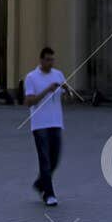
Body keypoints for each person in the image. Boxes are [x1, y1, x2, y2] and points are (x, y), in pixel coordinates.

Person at [23, 45, 68, 206]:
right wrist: (47, 90)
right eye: (48, 60)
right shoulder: (31, 77)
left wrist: (67, 91)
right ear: (41, 60)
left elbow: (64, 96)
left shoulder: (58, 74)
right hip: (40, 124)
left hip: (56, 122)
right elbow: (29, 102)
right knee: (45, 160)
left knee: (55, 158)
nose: (51, 63)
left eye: (52, 60)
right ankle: (49, 194)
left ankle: (40, 183)